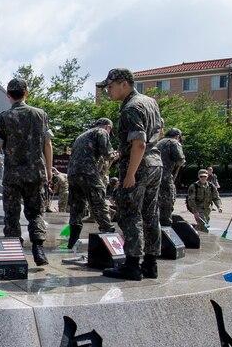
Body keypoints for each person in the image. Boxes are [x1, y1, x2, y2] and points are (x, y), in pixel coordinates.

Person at [98, 68, 163, 281]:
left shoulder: (131, 108)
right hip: (155, 163)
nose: (108, 91)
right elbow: (160, 130)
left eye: (110, 86)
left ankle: (132, 265)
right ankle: (150, 264)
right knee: (151, 214)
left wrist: (130, 174)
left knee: (130, 213)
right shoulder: (150, 102)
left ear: (124, 84)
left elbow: (139, 143)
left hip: (139, 165)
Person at [0, 77, 52, 265]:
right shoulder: (40, 114)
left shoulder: (3, 118)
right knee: (36, 213)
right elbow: (47, 144)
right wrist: (48, 170)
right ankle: (38, 249)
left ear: (8, 95)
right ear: (26, 93)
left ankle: (14, 252)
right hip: (36, 173)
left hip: (13, 176)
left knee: (12, 215)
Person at [65, 118, 116, 250]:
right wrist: (115, 155)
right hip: (88, 172)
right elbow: (107, 154)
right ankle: (108, 232)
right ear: (108, 127)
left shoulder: (82, 135)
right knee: (98, 202)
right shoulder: (102, 132)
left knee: (76, 207)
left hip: (72, 174)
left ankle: (73, 239)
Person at [156, 127, 185, 226]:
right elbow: (180, 159)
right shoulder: (174, 142)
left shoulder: (159, 142)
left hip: (154, 175)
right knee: (168, 199)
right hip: (165, 176)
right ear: (177, 136)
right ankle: (165, 223)